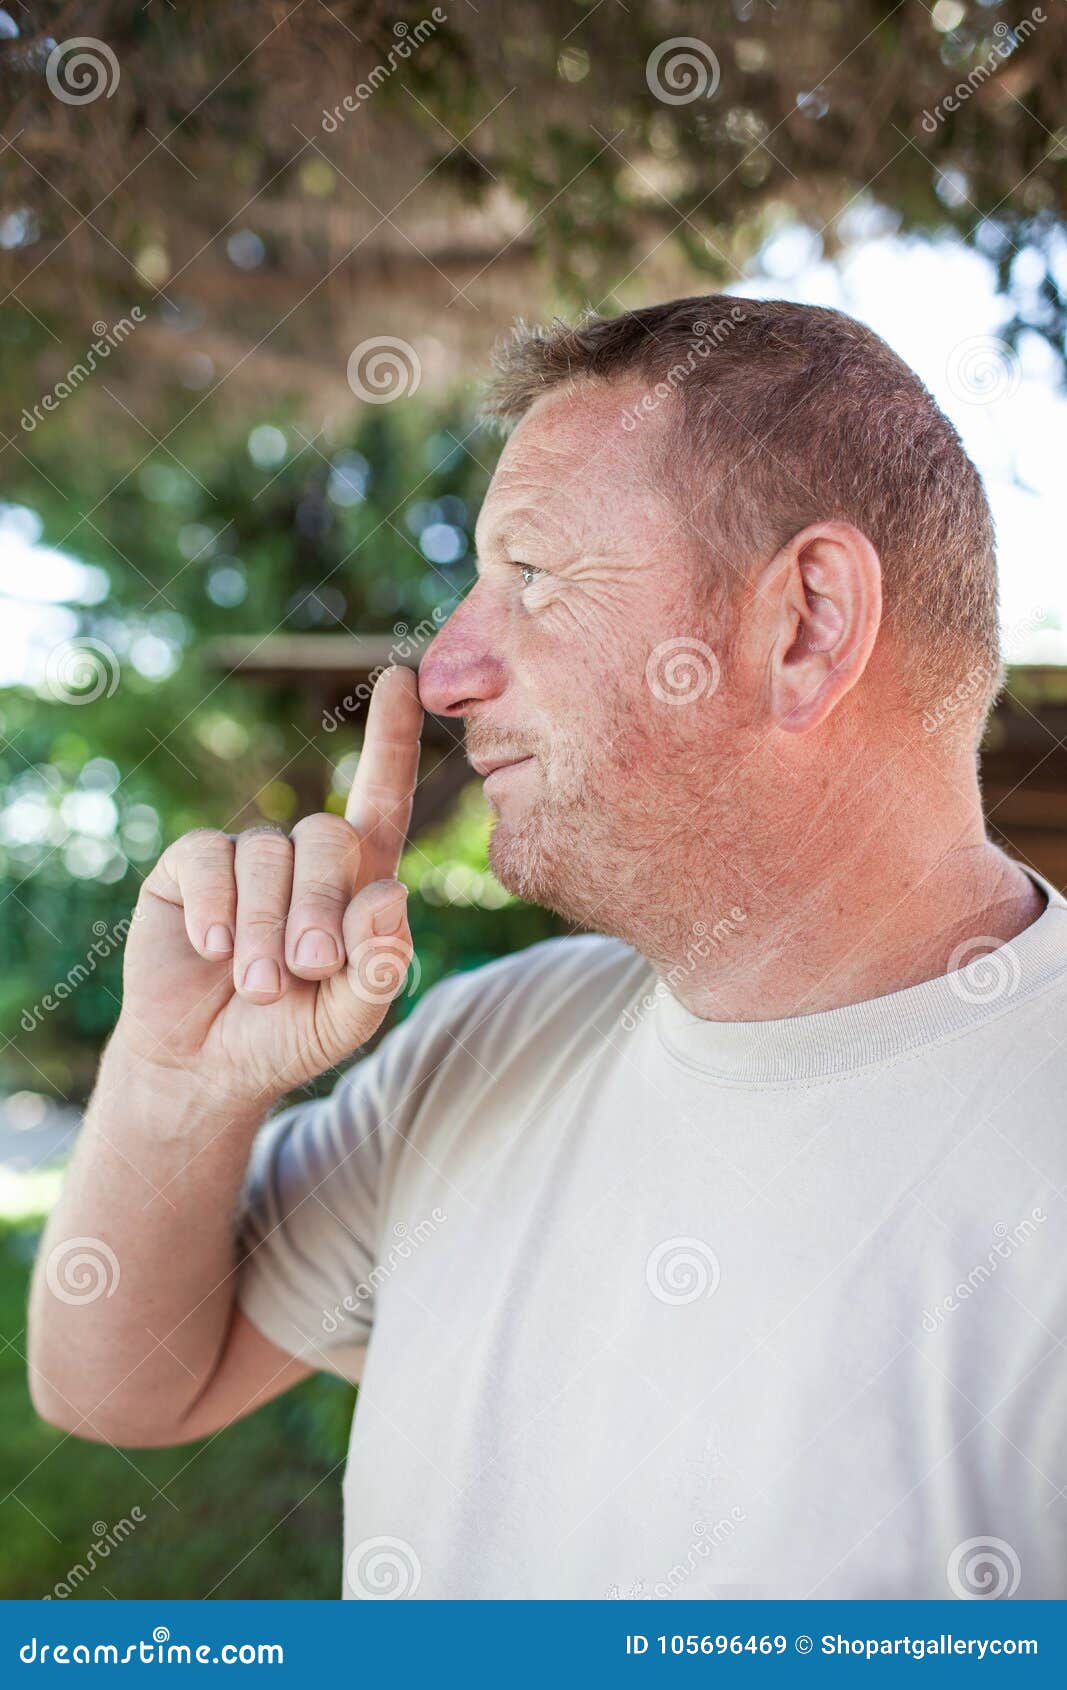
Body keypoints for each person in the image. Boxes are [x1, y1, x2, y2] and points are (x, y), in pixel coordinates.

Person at [28, 297, 1067, 1601]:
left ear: (804, 623)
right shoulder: (488, 1041)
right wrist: (179, 1083)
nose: (445, 670)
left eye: (532, 574)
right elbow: (119, 1387)